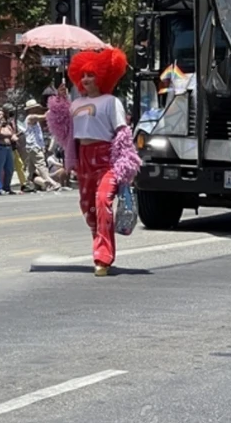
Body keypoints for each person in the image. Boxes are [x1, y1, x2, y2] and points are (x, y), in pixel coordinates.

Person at [48, 48, 141, 276]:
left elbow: (122, 132)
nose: (86, 79)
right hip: (84, 159)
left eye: (91, 74)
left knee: (102, 202)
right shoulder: (75, 103)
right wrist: (60, 100)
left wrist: (124, 162)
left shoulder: (111, 102)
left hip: (106, 158)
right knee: (88, 208)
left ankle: (103, 257)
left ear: (102, 76)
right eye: (83, 75)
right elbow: (63, 130)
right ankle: (99, 239)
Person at [22, 99, 60, 192]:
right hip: (34, 146)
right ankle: (52, 183)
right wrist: (54, 108)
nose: (36, 109)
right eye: (34, 108)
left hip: (34, 146)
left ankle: (26, 184)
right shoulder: (31, 117)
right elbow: (45, 116)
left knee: (30, 168)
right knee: (41, 165)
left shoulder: (34, 119)